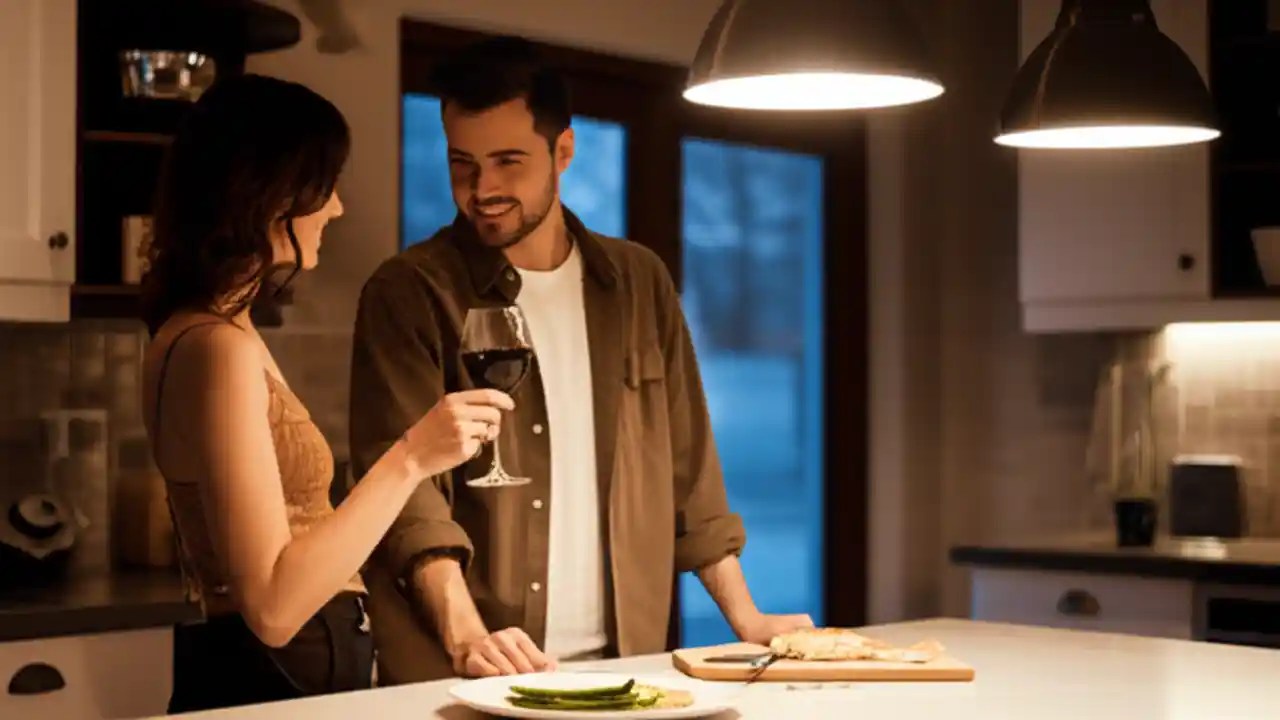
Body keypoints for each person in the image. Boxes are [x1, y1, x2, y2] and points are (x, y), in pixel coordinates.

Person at [348, 36, 813, 685]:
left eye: (508, 161)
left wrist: (748, 617)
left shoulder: (637, 281)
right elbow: (403, 496)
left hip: (627, 669)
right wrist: (467, 637)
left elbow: (689, 471)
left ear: (562, 150)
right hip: (466, 679)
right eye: (462, 162)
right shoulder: (409, 294)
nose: (482, 189)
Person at [139, 74, 513, 713]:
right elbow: (276, 607)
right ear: (271, 193)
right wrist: (412, 457)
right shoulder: (214, 347)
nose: (337, 208)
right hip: (268, 680)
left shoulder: (218, 331)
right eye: (325, 187)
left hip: (285, 675)